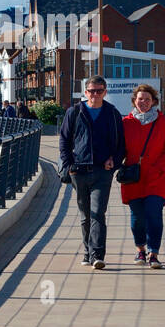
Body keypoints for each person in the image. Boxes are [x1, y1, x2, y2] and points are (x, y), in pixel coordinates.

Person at [58, 75, 126, 269]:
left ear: (105, 92)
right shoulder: (74, 112)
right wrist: (68, 164)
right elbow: (64, 140)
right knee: (85, 215)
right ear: (85, 93)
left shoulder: (112, 114)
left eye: (99, 91)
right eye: (92, 91)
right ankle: (87, 252)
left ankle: (97, 255)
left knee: (98, 212)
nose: (95, 94)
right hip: (78, 172)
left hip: (102, 172)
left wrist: (114, 161)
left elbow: (121, 144)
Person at [119, 84, 165, 269]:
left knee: (154, 213)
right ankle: (140, 249)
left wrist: (159, 167)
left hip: (157, 179)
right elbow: (118, 148)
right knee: (137, 218)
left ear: (153, 102)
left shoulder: (164, 122)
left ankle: (153, 253)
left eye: (147, 99)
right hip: (134, 178)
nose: (143, 102)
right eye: (140, 99)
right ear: (134, 101)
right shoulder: (126, 123)